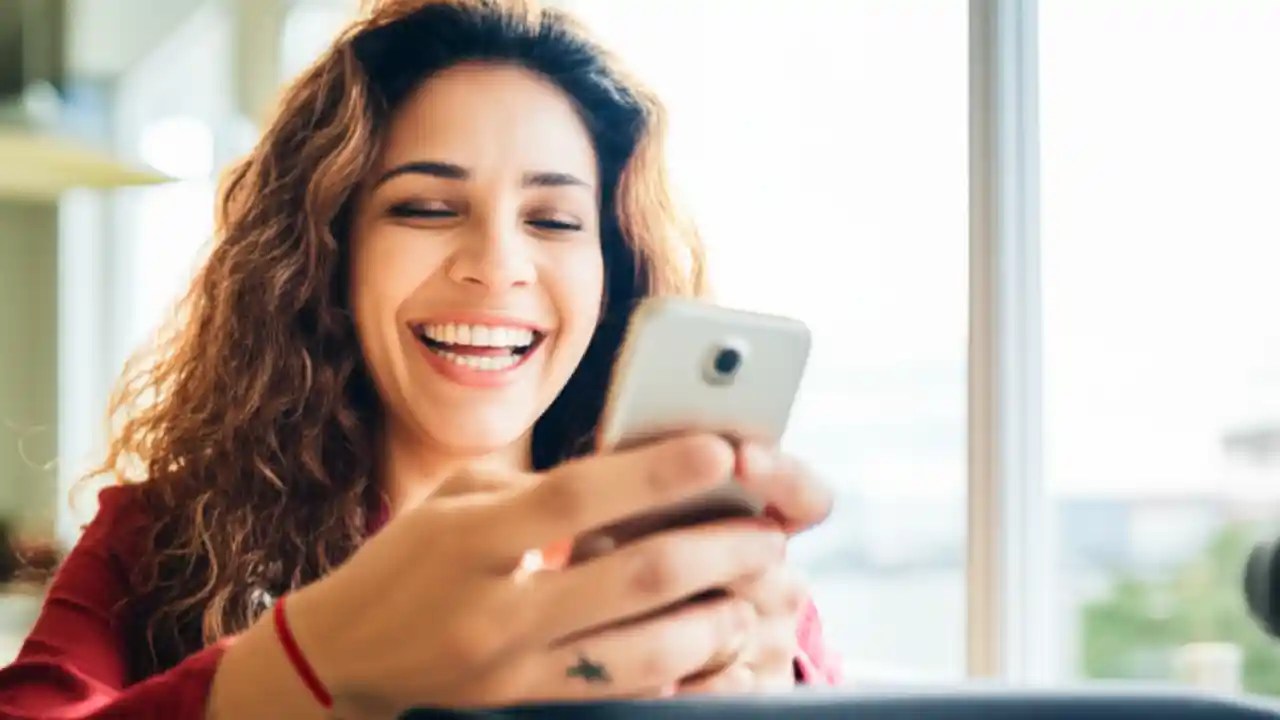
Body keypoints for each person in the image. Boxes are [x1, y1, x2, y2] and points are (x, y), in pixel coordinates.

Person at [0, 0, 841, 717]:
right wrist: (299, 669)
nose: (498, 263)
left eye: (553, 222)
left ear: (611, 281)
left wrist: (780, 701)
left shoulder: (710, 582)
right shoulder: (156, 541)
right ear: (329, 252)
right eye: (428, 207)